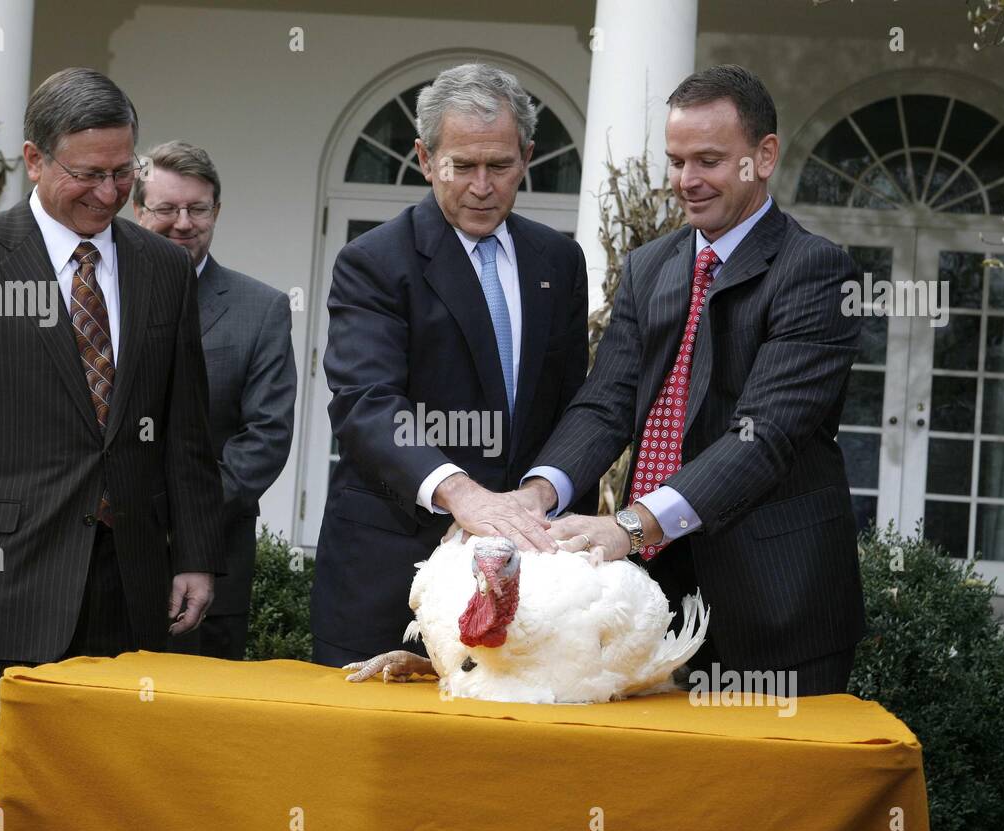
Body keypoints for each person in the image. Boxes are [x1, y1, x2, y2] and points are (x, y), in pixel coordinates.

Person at [428, 65, 866, 696]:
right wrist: (536, 495)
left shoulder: (817, 272)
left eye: (709, 160)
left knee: (766, 794)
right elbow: (606, 404)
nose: (687, 181)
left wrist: (631, 526)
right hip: (652, 604)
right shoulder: (650, 267)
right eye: (677, 160)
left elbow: (764, 437)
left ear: (763, 156)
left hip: (777, 605)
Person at [0, 68, 224, 831]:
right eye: (88, 174)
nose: (108, 193)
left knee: (100, 820)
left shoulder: (164, 270)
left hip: (128, 589)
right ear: (34, 160)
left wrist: (197, 556)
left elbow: (186, 433)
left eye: (122, 172)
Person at [310, 62, 594, 667]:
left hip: (535, 573)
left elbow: (577, 407)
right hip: (389, 572)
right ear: (424, 157)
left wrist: (549, 503)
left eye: (500, 165)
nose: (482, 186)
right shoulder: (374, 262)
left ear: (528, 157)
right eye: (462, 166)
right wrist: (463, 495)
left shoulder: (559, 260)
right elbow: (367, 403)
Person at [135, 141, 296, 661]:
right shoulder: (97, 299)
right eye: (166, 209)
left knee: (191, 735)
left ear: (216, 212)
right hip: (93, 561)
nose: (183, 223)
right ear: (138, 211)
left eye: (197, 209)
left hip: (209, 562)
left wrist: (182, 517)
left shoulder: (262, 309)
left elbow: (266, 437)